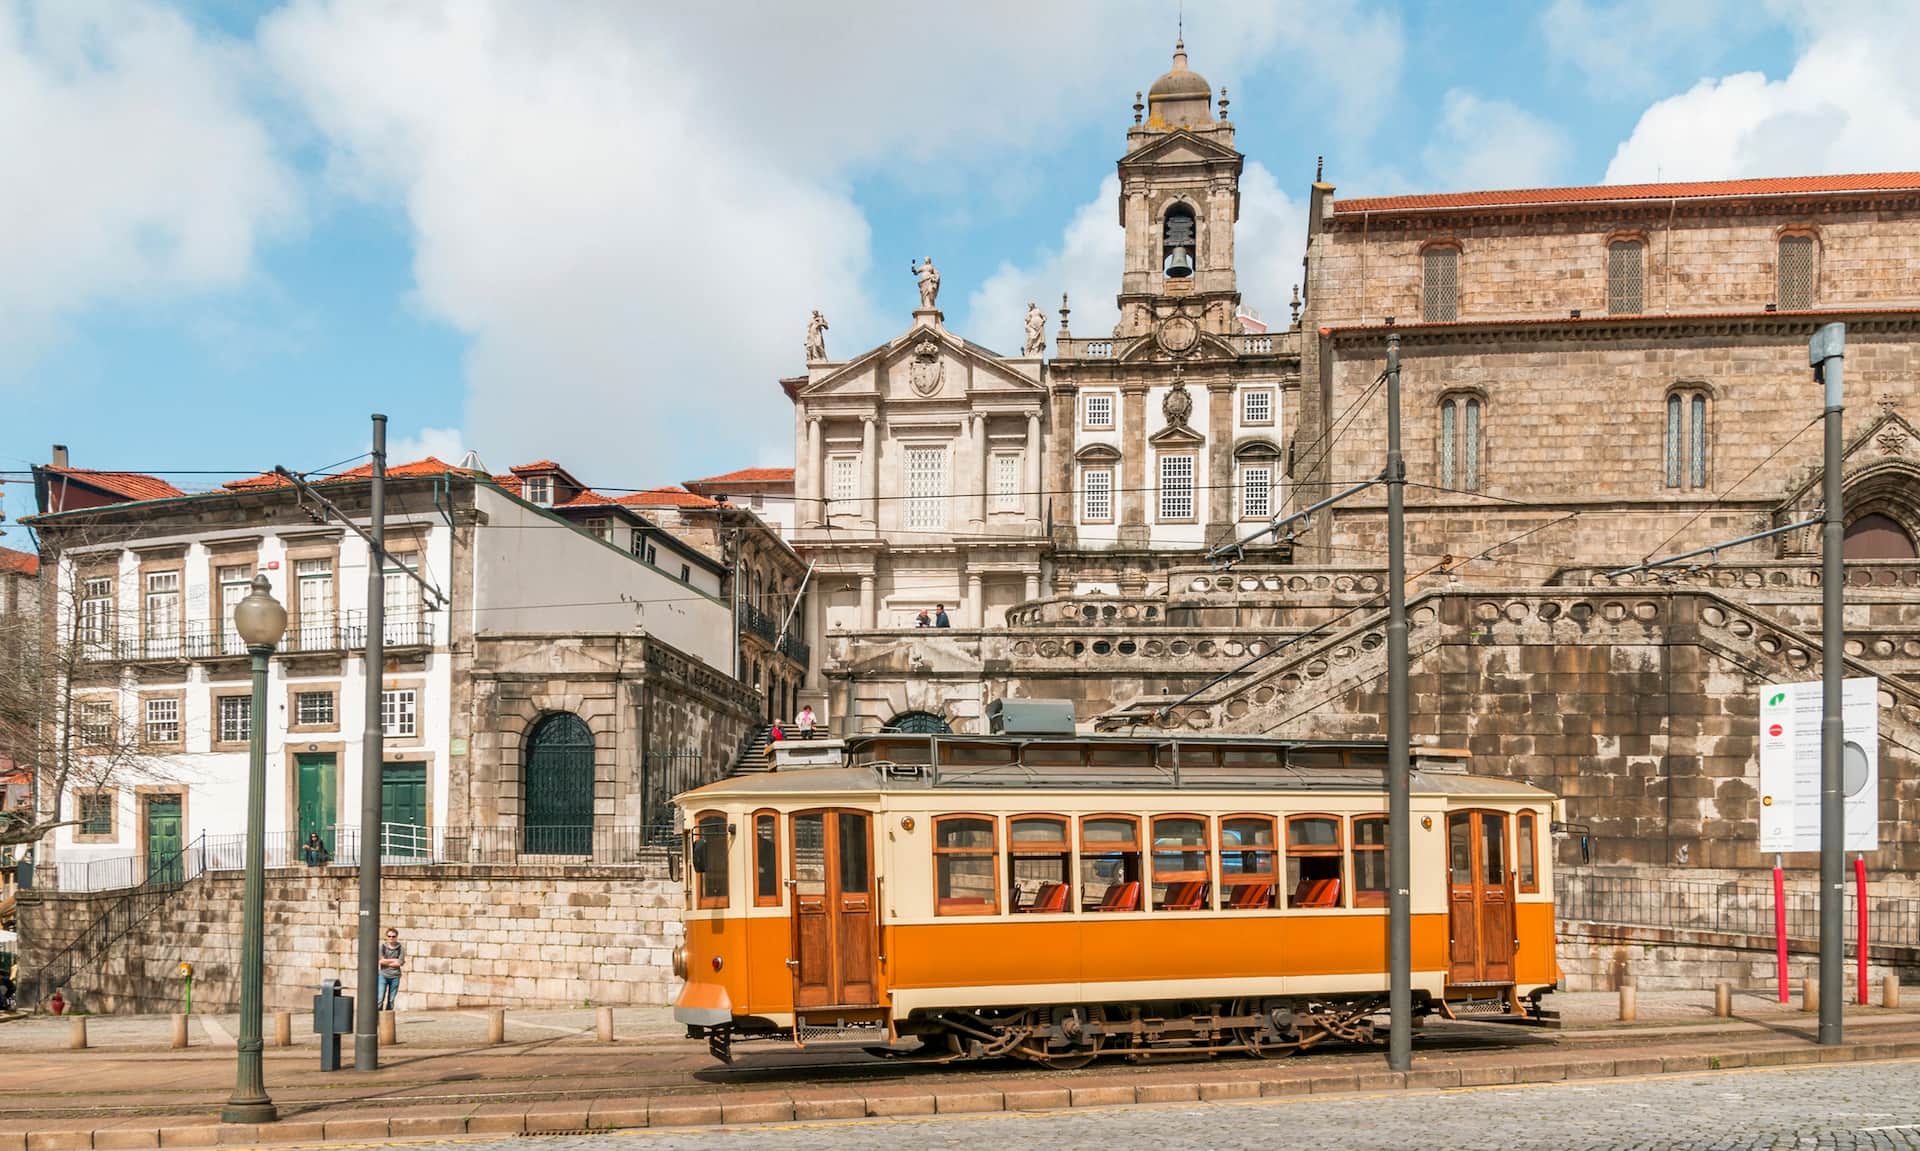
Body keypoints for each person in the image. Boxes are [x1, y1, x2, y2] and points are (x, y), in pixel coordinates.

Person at [378, 928, 404, 1011]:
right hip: (383, 975)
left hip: (395, 976)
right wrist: (394, 960)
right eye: (389, 936)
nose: (391, 938)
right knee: (380, 998)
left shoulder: (400, 948)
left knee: (391, 1000)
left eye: (393, 936)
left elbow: (399, 963)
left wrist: (387, 961)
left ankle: (387, 1021)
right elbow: (381, 961)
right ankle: (378, 1019)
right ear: (387, 937)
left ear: (396, 937)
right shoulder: (382, 947)